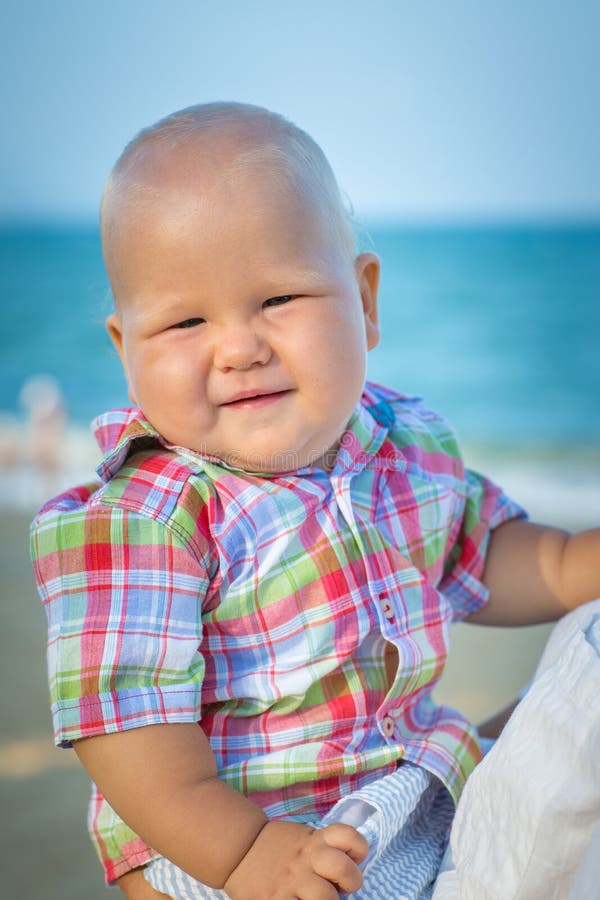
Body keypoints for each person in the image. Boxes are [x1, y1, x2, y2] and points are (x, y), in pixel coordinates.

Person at [30, 102, 600, 900]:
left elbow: (484, 553)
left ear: (365, 301)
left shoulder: (402, 447)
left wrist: (579, 562)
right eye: (188, 320)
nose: (239, 347)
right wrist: (248, 853)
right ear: (128, 351)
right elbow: (128, 730)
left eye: (279, 300)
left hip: (396, 801)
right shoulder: (145, 518)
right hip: (220, 844)